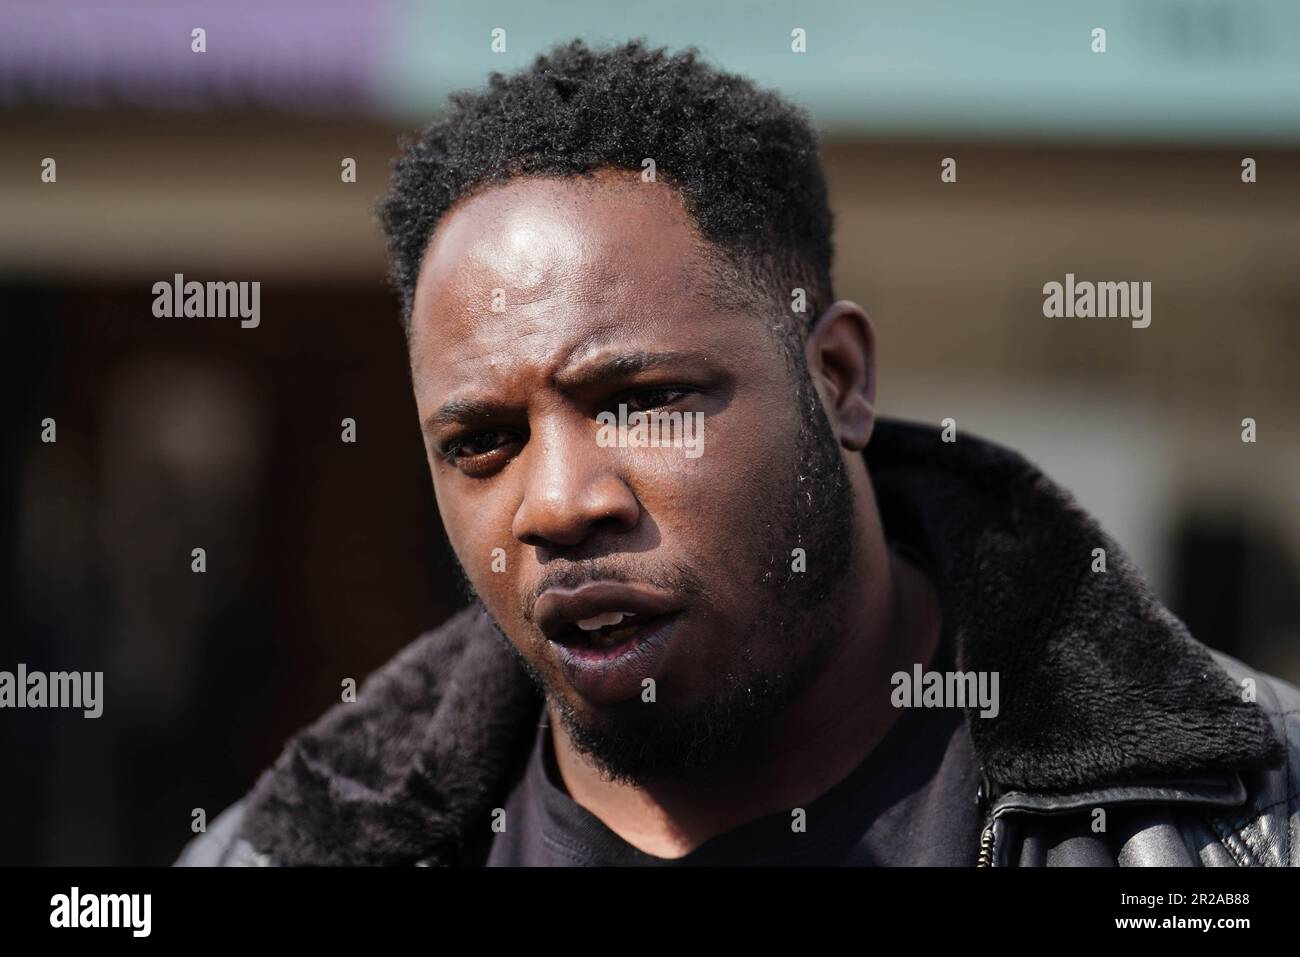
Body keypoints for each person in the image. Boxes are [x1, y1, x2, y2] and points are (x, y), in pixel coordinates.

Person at [176, 39, 1299, 867]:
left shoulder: (1241, 819)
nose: (557, 504)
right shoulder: (277, 853)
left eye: (645, 400)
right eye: (482, 442)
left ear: (839, 382)